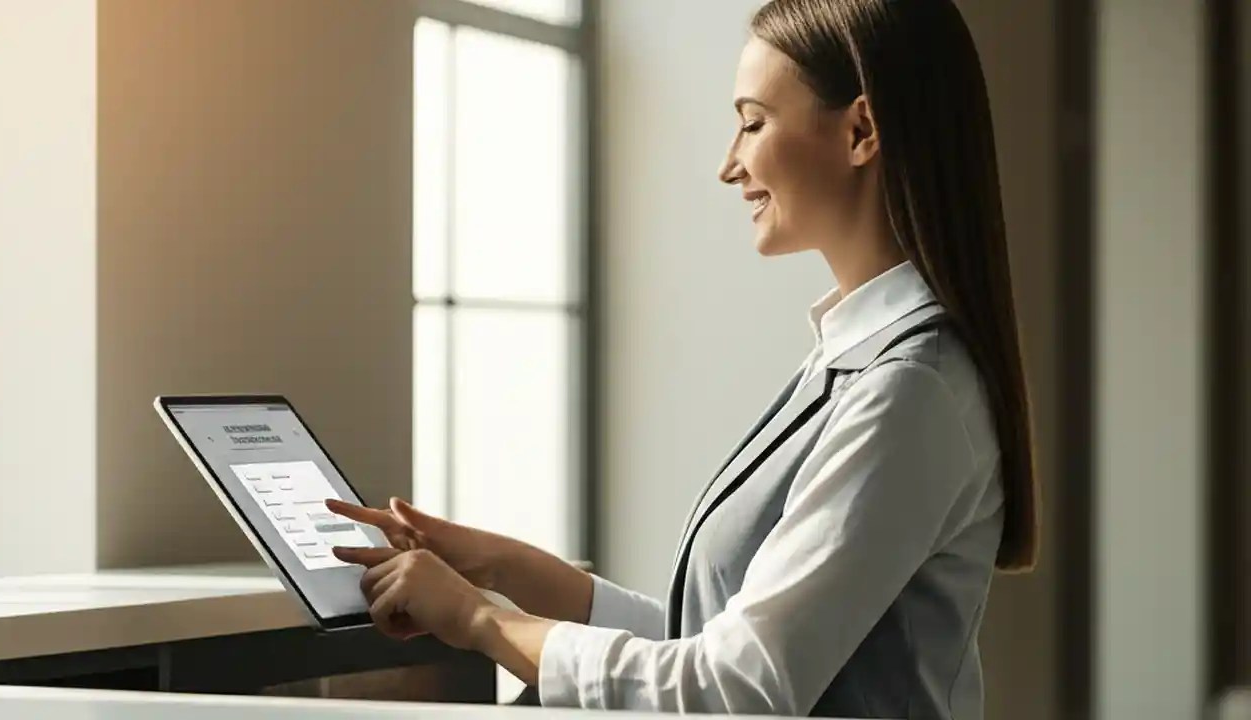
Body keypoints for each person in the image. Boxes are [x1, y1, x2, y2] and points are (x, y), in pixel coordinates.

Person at [329, 0, 1038, 717]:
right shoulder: (858, 361)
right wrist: (502, 567)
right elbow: (705, 647)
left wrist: (481, 620)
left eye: (753, 122)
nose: (730, 165)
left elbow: (733, 688)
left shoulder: (911, 391)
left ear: (861, 131)